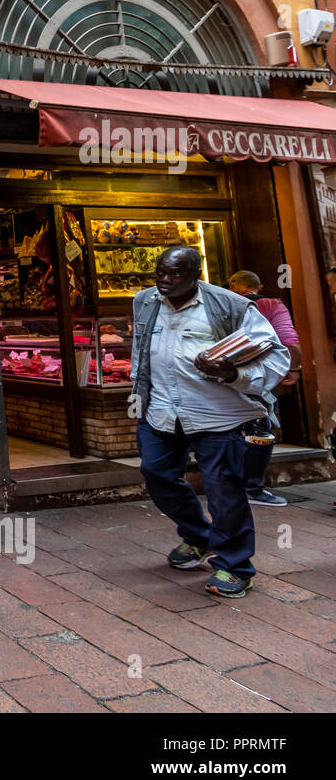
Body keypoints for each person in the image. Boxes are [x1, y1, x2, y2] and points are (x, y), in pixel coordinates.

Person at [131, 247, 290, 598]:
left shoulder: (228, 305)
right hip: (162, 412)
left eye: (175, 273)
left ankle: (235, 567)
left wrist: (235, 372)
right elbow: (142, 350)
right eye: (160, 272)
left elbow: (277, 356)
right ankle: (199, 536)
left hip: (219, 415)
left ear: (195, 273)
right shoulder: (145, 302)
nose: (165, 280)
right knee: (156, 474)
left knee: (224, 491)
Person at [227, 270, 302, 507]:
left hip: (224, 375)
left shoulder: (221, 302)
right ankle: (252, 488)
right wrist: (295, 368)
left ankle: (228, 484)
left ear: (231, 286)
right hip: (261, 378)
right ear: (259, 287)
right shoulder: (271, 304)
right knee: (260, 430)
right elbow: (289, 341)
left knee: (227, 428)